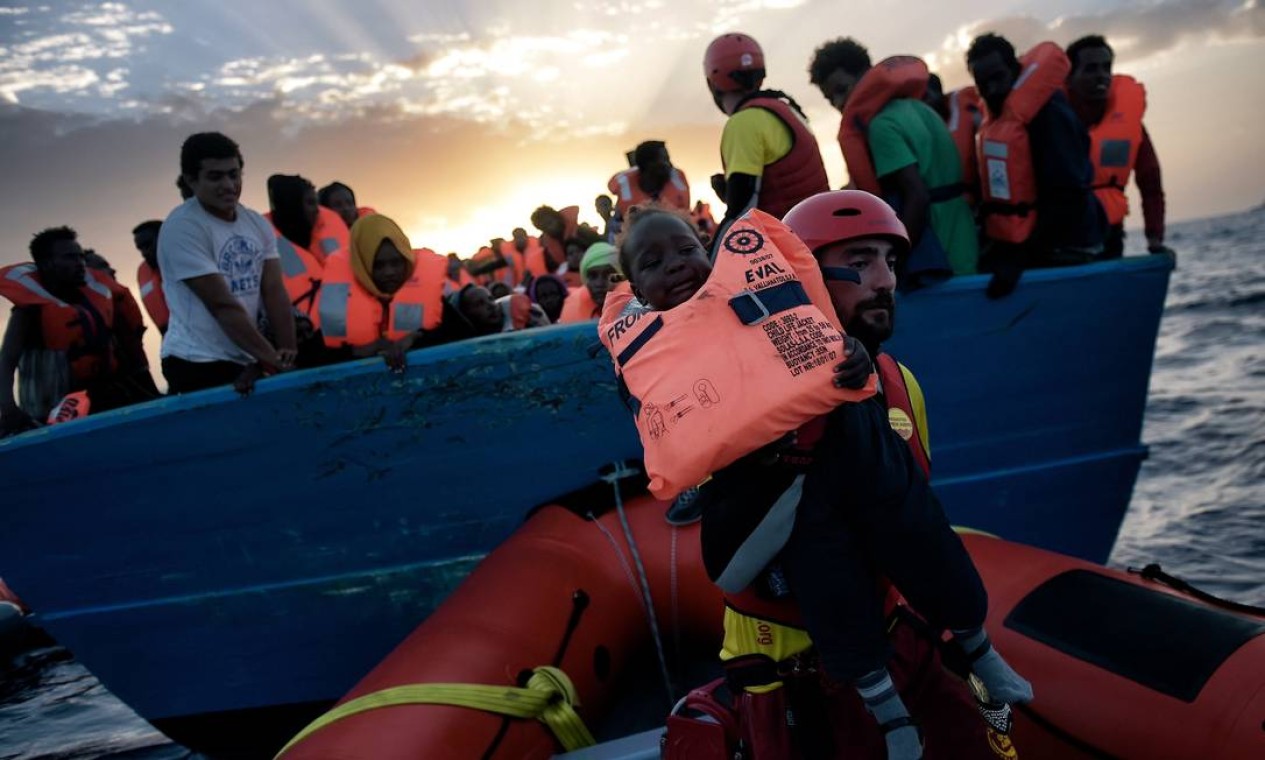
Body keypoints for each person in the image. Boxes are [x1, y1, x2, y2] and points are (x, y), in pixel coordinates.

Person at [616, 202, 1031, 759]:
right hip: (791, 671)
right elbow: (733, 562)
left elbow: (912, 514)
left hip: (900, 635)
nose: (885, 280)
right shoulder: (696, 392)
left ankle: (973, 654)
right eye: (859, 262)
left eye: (889, 261)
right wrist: (792, 455)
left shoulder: (896, 383)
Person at [808, 38, 979, 284]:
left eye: (842, 90)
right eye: (830, 98)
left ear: (866, 76)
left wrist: (890, 263)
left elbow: (916, 197)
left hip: (941, 255)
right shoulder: (920, 108)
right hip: (965, 241)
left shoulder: (882, 127)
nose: (838, 104)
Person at [966, 34, 1106, 297]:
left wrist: (1019, 259)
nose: (993, 89)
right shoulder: (1001, 117)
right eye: (983, 83)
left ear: (1015, 70)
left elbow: (1068, 194)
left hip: (1069, 245)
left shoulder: (1048, 114)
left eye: (998, 77)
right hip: (1034, 242)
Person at [157, 132, 296, 394]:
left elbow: (274, 291)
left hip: (249, 355)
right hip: (198, 360)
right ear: (191, 180)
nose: (228, 185)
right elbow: (222, 305)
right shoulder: (183, 228)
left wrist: (288, 353)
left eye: (234, 174)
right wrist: (274, 362)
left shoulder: (256, 223)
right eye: (215, 177)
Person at [1, 227, 158, 435]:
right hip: (54, 413)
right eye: (69, 258)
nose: (80, 263)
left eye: (80, 257)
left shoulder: (97, 299)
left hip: (104, 399)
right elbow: (6, 361)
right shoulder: (27, 310)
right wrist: (8, 408)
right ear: (46, 264)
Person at [703, 32, 830, 224]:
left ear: (712, 84)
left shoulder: (744, 122)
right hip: (820, 233)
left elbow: (741, 214)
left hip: (789, 245)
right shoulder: (786, 108)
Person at [1065, 34, 1170, 259]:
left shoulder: (1130, 126)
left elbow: (1150, 184)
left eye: (1106, 67)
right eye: (1091, 69)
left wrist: (1155, 239)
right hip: (1061, 239)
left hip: (1110, 234)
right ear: (1070, 77)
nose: (1101, 75)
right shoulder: (1052, 121)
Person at [317, 214, 445, 371]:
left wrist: (416, 338)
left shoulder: (436, 302)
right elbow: (309, 356)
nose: (389, 272)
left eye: (396, 262)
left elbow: (464, 333)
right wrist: (358, 351)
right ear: (361, 265)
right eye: (378, 265)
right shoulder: (338, 303)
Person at [267, 174, 351, 319]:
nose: (317, 210)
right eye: (311, 203)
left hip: (344, 324)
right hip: (301, 331)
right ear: (293, 205)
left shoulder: (327, 234)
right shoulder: (264, 243)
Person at [607, 140, 692, 237]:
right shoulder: (625, 195)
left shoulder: (678, 179)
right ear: (648, 165)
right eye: (664, 160)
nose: (670, 165)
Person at [557, 242, 619, 323]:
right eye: (593, 276)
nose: (599, 284)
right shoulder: (571, 311)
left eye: (607, 275)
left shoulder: (638, 306)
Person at [133, 220, 169, 334]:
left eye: (148, 244)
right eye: (140, 248)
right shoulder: (142, 272)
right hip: (171, 338)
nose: (144, 252)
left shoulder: (189, 262)